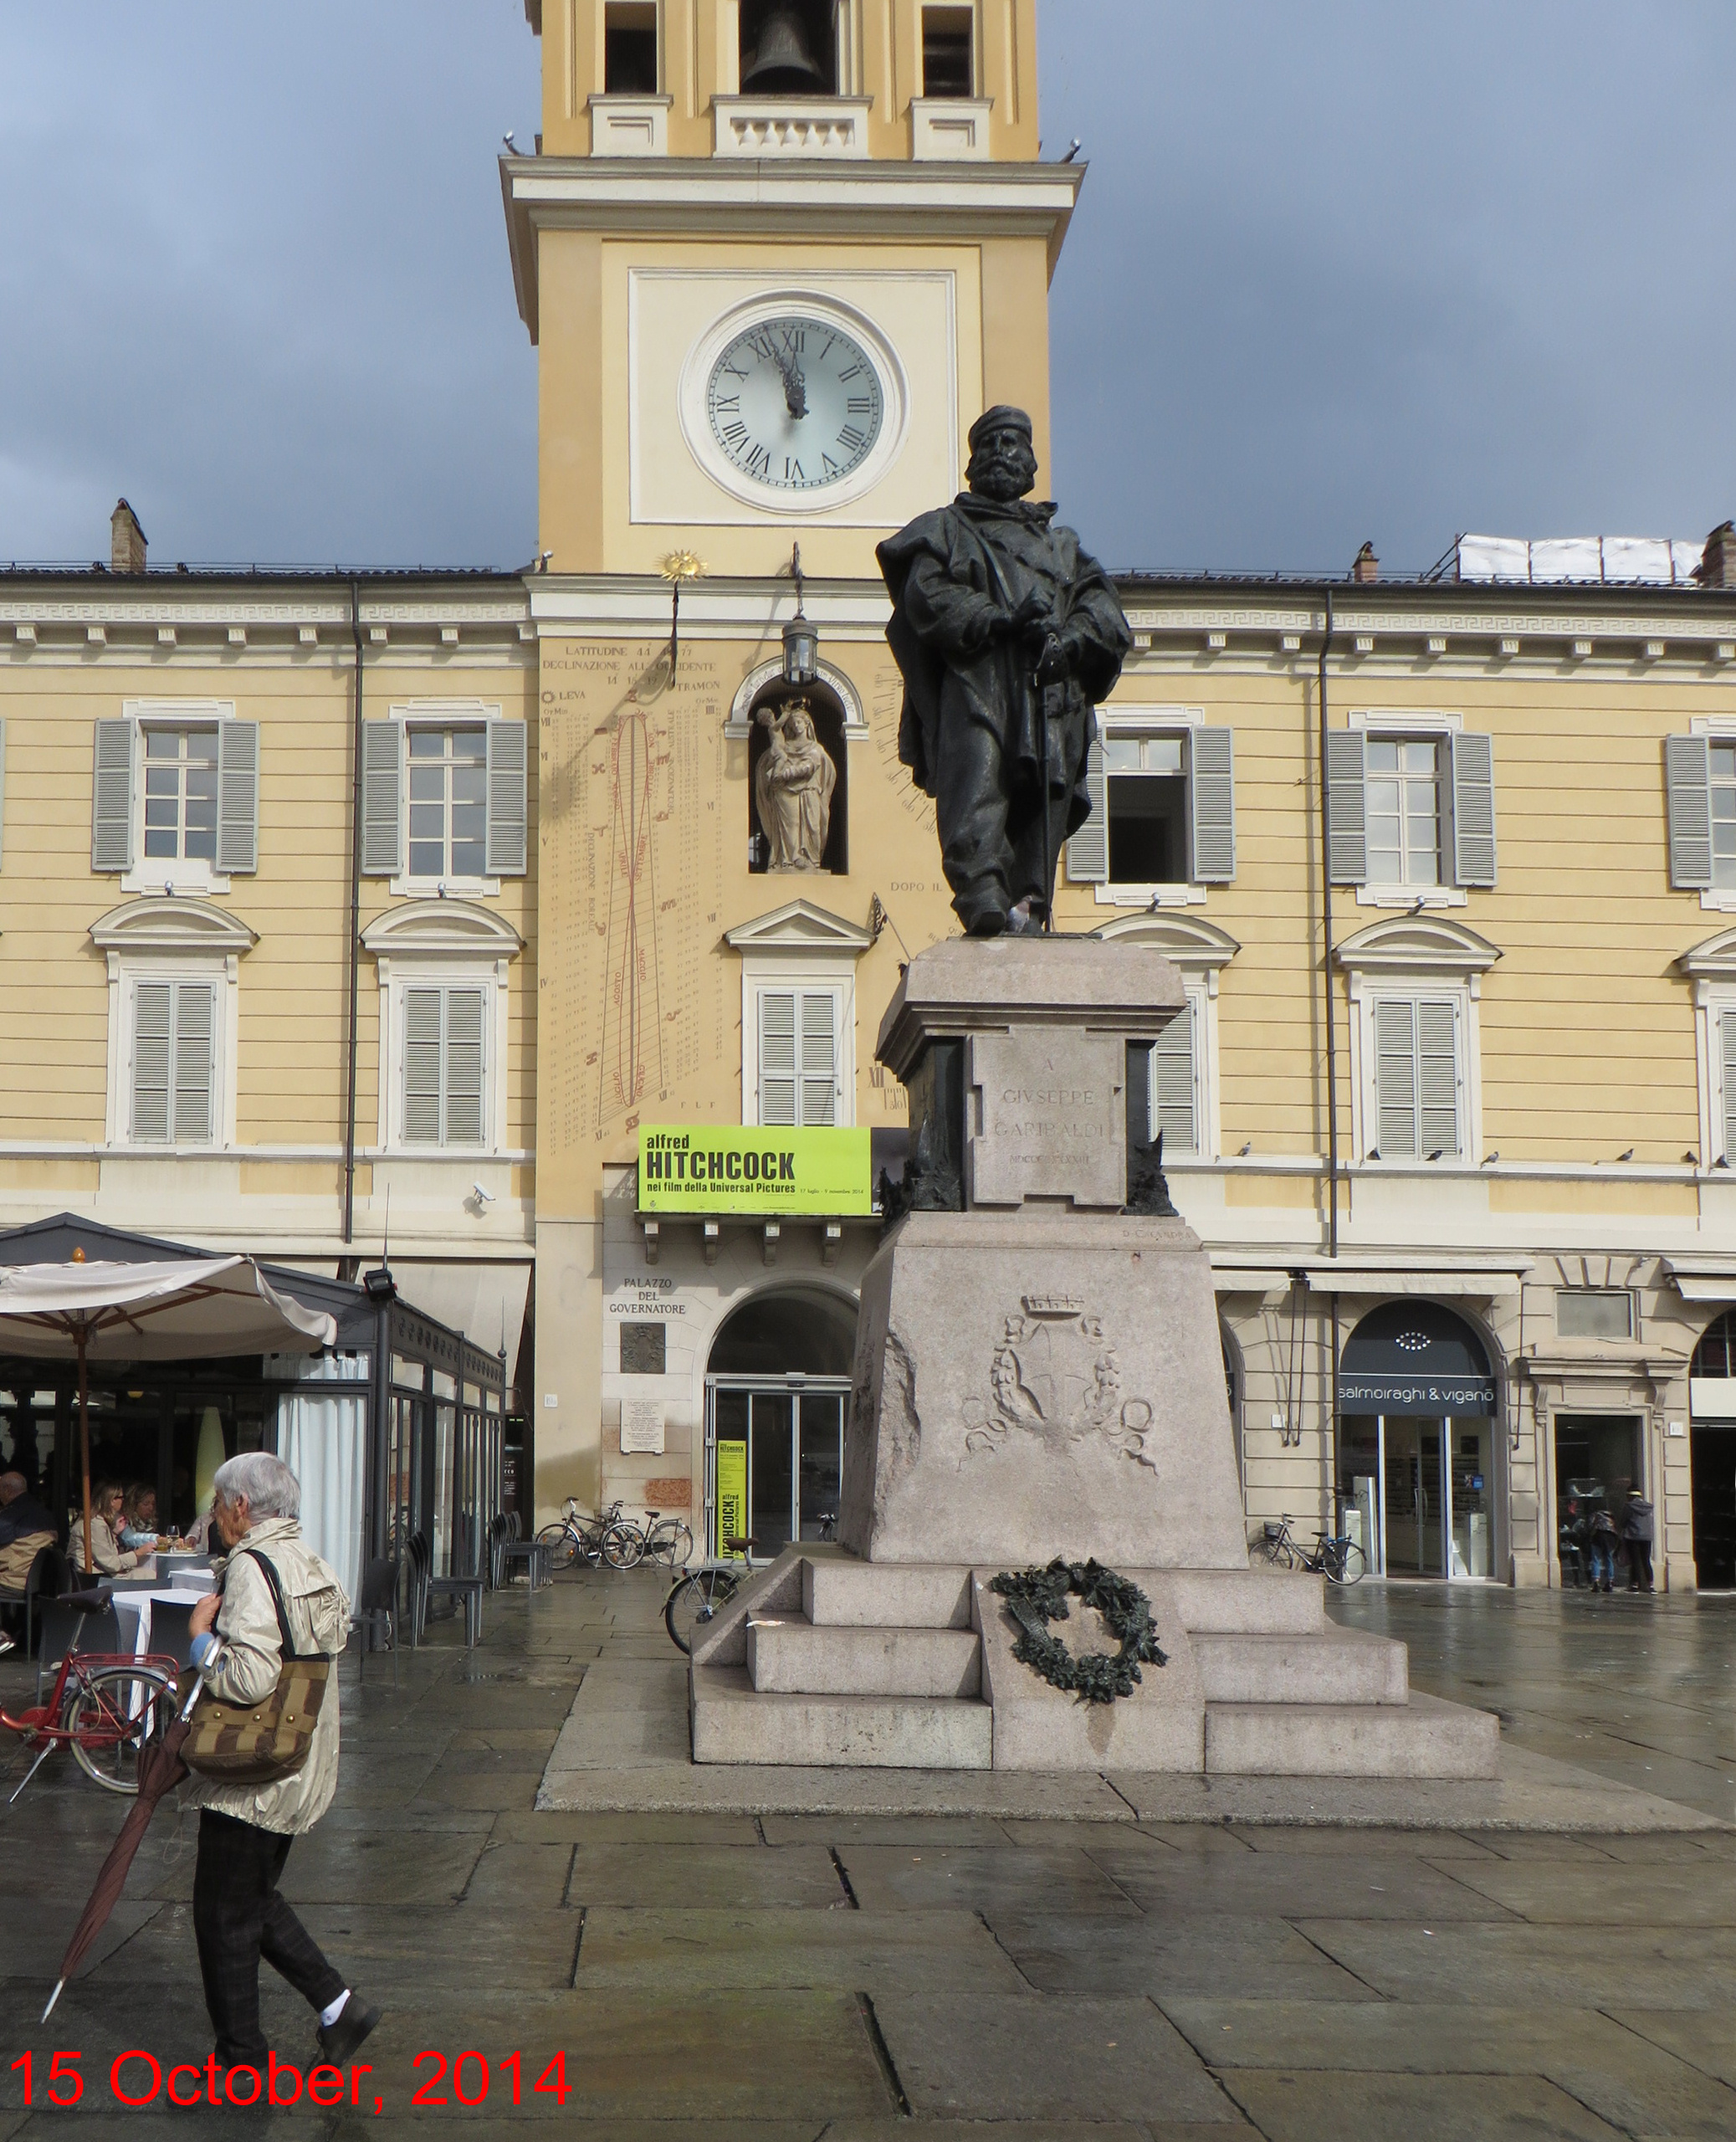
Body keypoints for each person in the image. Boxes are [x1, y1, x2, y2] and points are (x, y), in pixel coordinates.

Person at [878, 405, 1133, 936]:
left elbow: (1105, 611)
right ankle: (981, 891)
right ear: (971, 464)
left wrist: (1070, 640)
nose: (1001, 453)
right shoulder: (944, 530)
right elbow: (926, 597)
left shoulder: (1063, 548)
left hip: (1051, 686)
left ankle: (1031, 899)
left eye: (1013, 443)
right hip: (980, 679)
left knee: (1047, 784)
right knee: (977, 779)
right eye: (990, 444)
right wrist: (999, 619)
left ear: (1032, 462)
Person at [183, 1452, 380, 2074]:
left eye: (218, 1505)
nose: (215, 1517)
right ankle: (337, 2007)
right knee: (250, 1900)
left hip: (253, 1768)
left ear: (241, 1507)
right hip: (302, 1759)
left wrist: (197, 1640)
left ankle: (241, 2065)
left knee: (221, 1916)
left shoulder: (251, 1563)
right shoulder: (308, 1558)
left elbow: (249, 1675)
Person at [0, 1471, 58, 1657]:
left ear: (7, 1490)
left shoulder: (14, 1514)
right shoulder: (42, 1512)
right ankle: (8, 1631)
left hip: (14, 1581)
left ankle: (2, 1636)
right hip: (32, 1580)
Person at [78, 1483, 140, 1577]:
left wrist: (114, 1534)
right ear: (112, 1501)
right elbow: (111, 1564)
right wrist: (138, 1554)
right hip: (93, 1579)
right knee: (150, 1574)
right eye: (121, 1497)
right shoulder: (94, 1525)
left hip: (102, 1573)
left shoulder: (99, 1522)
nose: (123, 1501)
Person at [1621, 1487, 1656, 1592]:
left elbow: (1623, 1521)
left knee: (1635, 1561)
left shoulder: (1629, 1506)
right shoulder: (1647, 1507)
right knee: (1646, 1561)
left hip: (1633, 1536)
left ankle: (1634, 1585)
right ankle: (1651, 1585)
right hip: (1647, 1537)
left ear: (1629, 1496)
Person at [119, 1484, 164, 1553]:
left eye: (153, 1504)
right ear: (134, 1504)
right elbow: (129, 1538)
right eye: (146, 1504)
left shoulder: (149, 1524)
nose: (151, 1508)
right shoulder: (123, 1521)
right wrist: (157, 1539)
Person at [1587, 1504, 1620, 1593]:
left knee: (1596, 1559)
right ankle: (1609, 1582)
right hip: (1611, 1538)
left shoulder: (1595, 1514)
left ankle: (1596, 1583)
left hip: (1598, 1536)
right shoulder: (1611, 1516)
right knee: (1609, 1559)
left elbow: (1590, 1525)